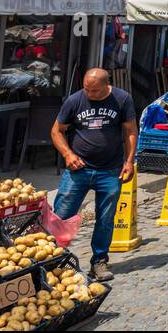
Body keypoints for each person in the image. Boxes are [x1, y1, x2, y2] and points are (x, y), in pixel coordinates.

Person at [50, 69, 137, 283]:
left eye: (95, 91)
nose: (89, 94)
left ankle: (99, 261)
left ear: (107, 85)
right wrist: (67, 154)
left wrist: (129, 161)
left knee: (106, 218)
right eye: (87, 89)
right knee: (61, 216)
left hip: (110, 170)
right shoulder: (75, 100)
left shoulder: (122, 99)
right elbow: (56, 131)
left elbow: (131, 131)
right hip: (78, 169)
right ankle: (51, 260)